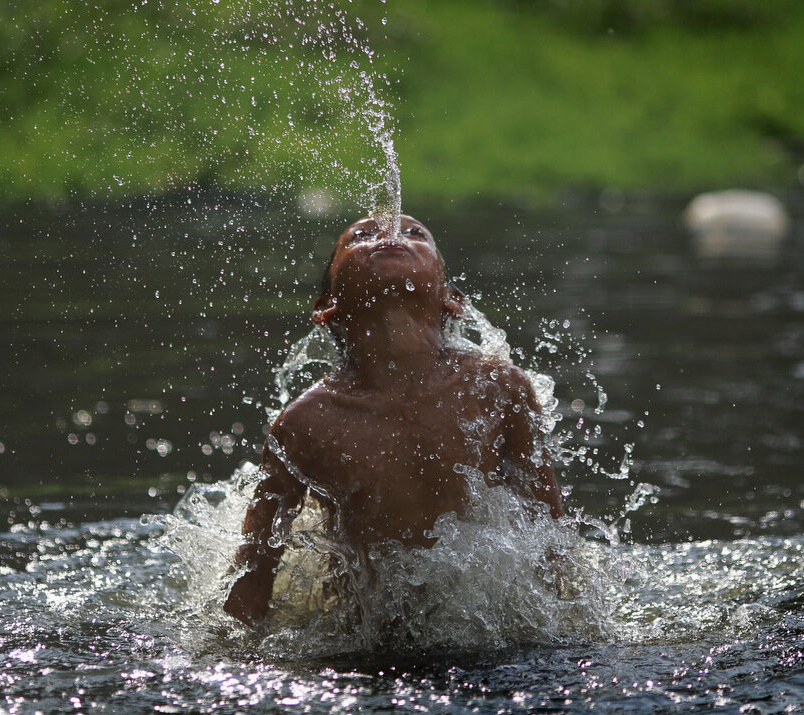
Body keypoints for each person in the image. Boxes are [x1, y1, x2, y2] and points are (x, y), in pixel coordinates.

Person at [223, 214, 564, 625]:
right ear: (327, 307)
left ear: (451, 299)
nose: (389, 237)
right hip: (363, 641)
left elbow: (548, 530)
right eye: (362, 236)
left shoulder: (498, 387)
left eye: (414, 233)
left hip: (486, 630)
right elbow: (253, 571)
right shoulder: (306, 423)